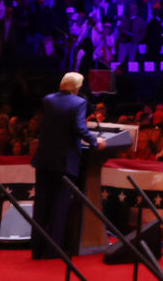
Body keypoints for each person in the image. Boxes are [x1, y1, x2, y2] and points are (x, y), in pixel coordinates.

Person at [33, 70, 94, 259]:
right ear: (77, 87)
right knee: (59, 207)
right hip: (65, 162)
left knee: (41, 205)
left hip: (44, 159)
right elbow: (79, 127)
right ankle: (54, 250)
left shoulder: (48, 100)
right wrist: (95, 141)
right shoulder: (79, 102)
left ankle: (37, 248)